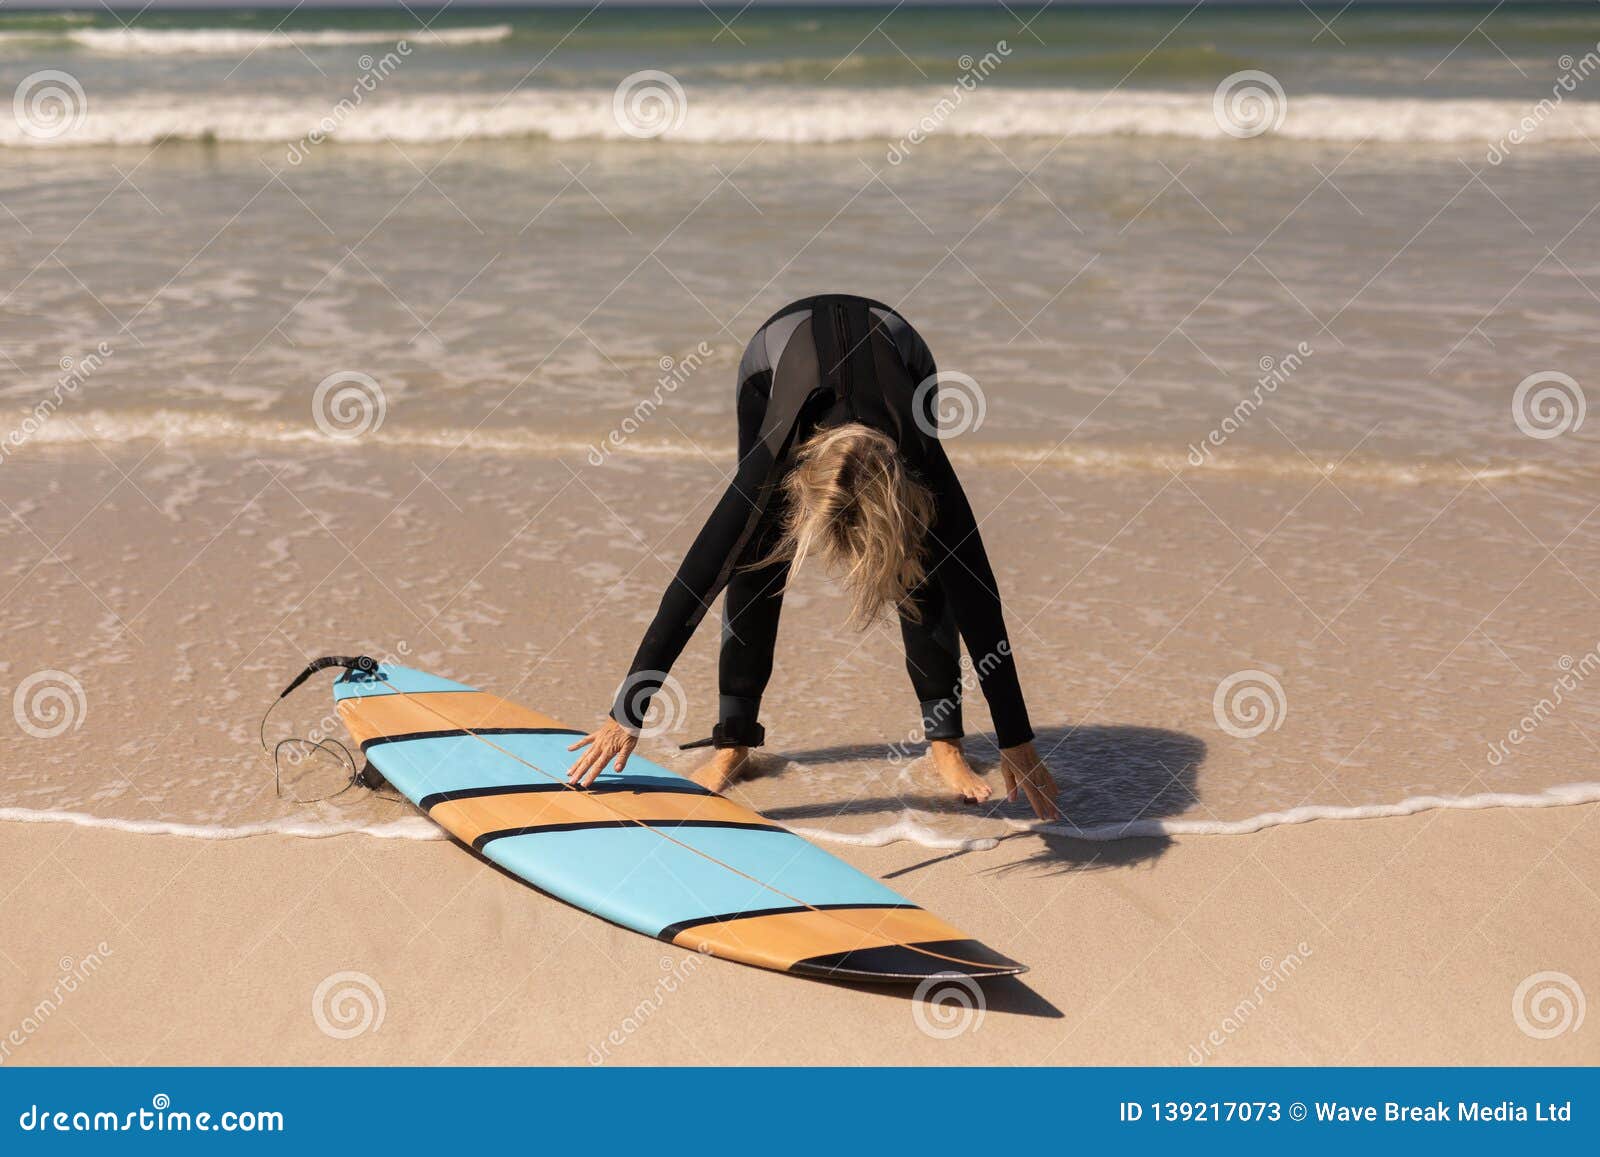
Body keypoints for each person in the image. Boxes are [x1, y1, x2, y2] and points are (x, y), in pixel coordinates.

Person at [567, 294, 1061, 821]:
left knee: (921, 562)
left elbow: (978, 596)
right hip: (774, 356)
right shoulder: (774, 458)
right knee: (754, 553)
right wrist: (629, 710)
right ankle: (733, 741)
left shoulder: (920, 458)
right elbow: (697, 578)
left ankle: (945, 743)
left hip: (901, 353)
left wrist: (1017, 740)